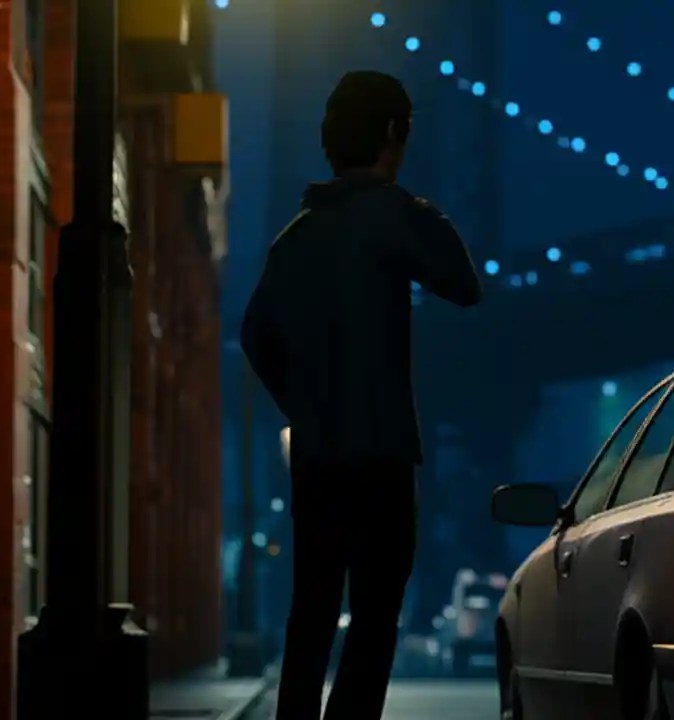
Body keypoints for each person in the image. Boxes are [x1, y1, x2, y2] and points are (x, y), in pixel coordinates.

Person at [240, 70, 483, 719]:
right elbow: (464, 284)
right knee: (375, 616)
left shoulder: (292, 239)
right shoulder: (394, 214)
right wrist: (415, 206)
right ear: (393, 133)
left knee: (312, 609)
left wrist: (305, 405)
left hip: (317, 456)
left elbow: (255, 335)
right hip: (381, 451)